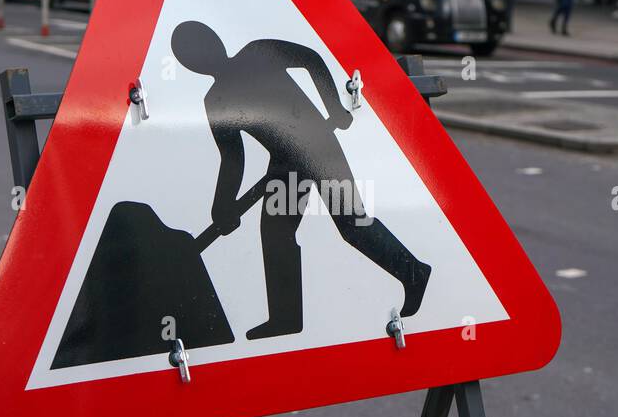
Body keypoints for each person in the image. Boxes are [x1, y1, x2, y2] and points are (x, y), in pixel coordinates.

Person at [170, 21, 431, 340]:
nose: (200, 57)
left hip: (318, 146)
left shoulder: (257, 54)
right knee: (276, 232)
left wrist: (333, 105)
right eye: (192, 55)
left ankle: (414, 272)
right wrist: (222, 206)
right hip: (285, 167)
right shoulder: (219, 97)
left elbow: (311, 59)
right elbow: (233, 159)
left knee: (352, 222)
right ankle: (286, 318)